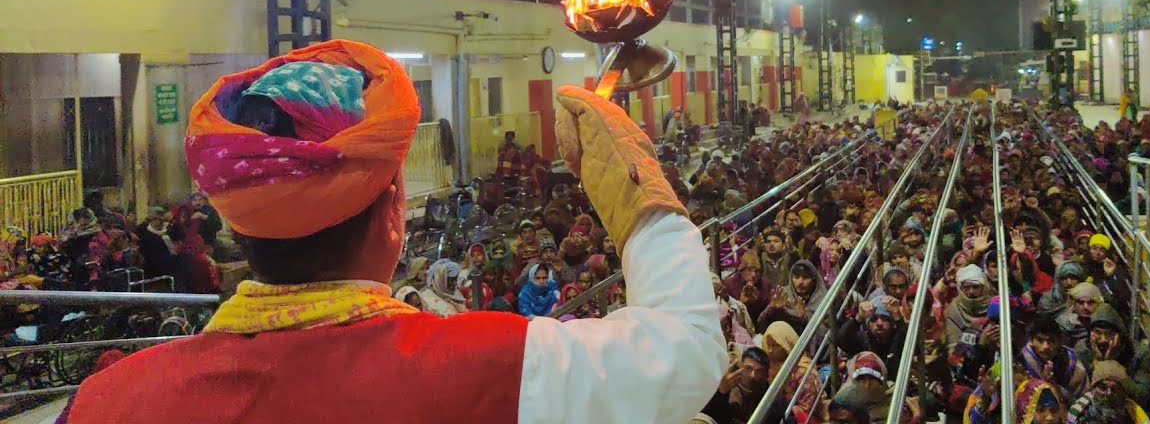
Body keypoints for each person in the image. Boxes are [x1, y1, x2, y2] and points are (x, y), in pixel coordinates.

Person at [61, 40, 726, 423]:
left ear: (238, 227)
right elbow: (690, 350)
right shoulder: (480, 367)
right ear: (392, 214)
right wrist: (633, 183)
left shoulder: (104, 401)